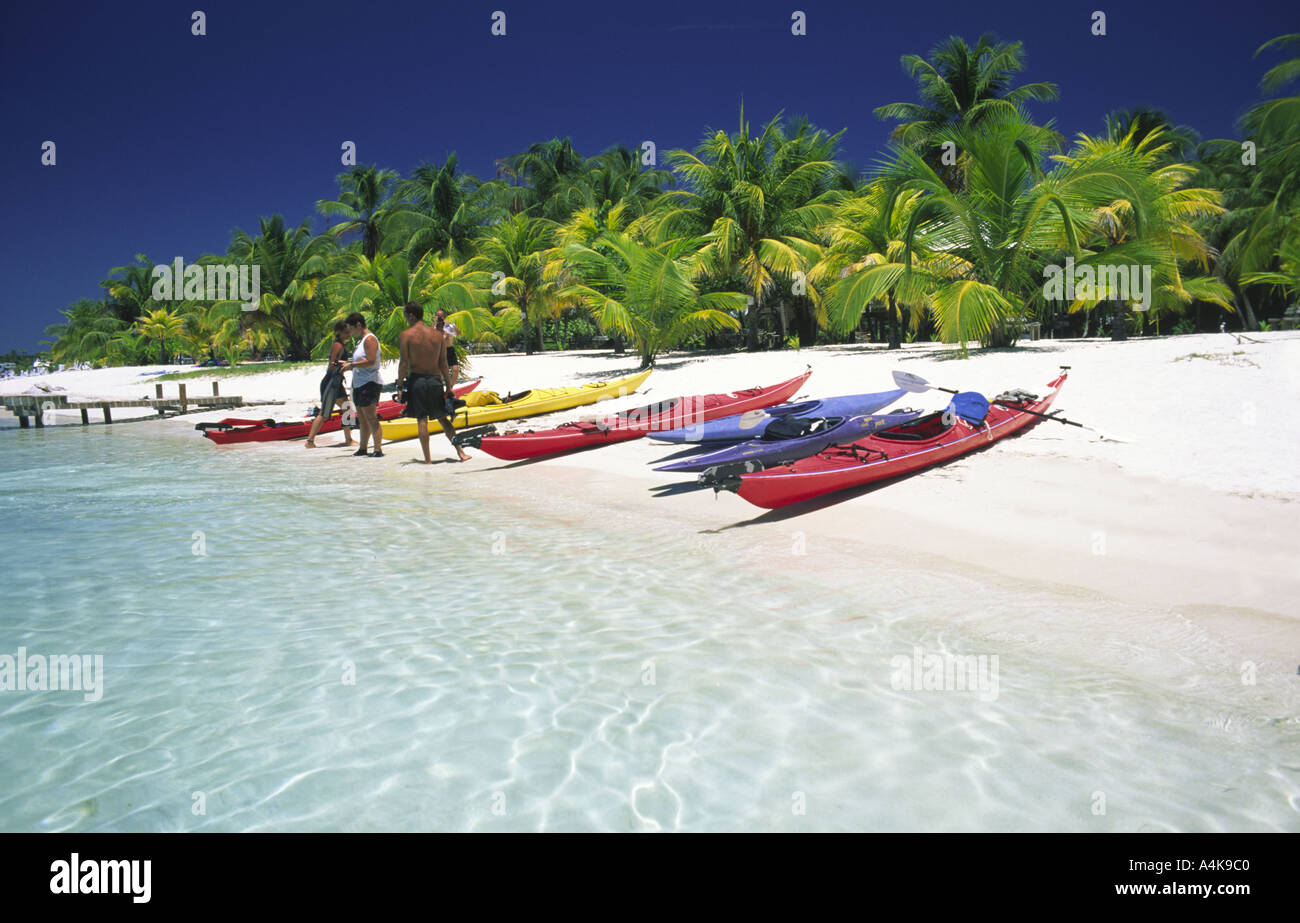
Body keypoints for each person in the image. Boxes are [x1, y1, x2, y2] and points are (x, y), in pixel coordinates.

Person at [396, 301, 471, 463]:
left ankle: (428, 460)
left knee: (422, 419)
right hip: (435, 381)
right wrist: (449, 386)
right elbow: (444, 363)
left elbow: (403, 363)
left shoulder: (406, 335)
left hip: (417, 381)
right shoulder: (437, 335)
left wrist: (400, 386)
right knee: (443, 418)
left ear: (411, 315)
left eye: (405, 315)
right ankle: (461, 453)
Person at [339, 312, 384, 457]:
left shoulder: (370, 339)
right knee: (362, 418)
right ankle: (363, 448)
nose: (350, 333)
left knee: (371, 417)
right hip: (359, 382)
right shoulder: (361, 340)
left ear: (358, 325)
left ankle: (378, 449)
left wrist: (351, 365)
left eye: (351, 329)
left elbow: (371, 361)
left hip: (369, 382)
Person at [305, 321, 355, 448]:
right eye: (346, 332)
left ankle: (349, 440)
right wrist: (349, 365)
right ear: (339, 332)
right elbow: (333, 363)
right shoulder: (337, 345)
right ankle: (310, 442)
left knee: (347, 408)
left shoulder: (341, 345)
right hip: (331, 383)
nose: (348, 334)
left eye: (349, 331)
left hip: (337, 383)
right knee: (324, 413)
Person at [434, 309, 461, 389]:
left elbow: (458, 333)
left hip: (450, 350)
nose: (439, 318)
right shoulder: (435, 327)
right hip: (440, 350)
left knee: (455, 370)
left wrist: (453, 326)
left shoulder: (449, 325)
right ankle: (439, 388)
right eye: (437, 316)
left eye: (441, 316)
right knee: (440, 372)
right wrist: (435, 323)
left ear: (444, 316)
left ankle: (450, 387)